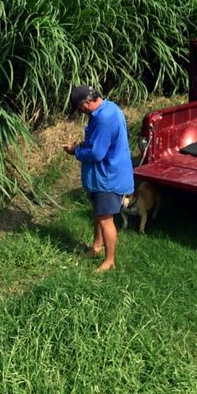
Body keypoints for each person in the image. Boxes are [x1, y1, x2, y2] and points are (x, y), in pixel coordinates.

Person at [62, 84, 134, 273]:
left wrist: (75, 150)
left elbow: (96, 153)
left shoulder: (103, 119)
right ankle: (96, 246)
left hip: (107, 178)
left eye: (79, 109)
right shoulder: (109, 108)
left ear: (86, 103)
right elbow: (99, 142)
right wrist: (83, 144)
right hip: (105, 175)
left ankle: (109, 261)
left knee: (105, 219)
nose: (80, 112)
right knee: (99, 214)